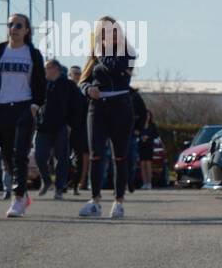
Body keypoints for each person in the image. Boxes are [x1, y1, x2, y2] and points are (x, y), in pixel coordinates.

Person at [0, 13, 46, 217]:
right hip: (2, 108)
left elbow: (39, 82)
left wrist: (36, 104)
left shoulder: (32, 53)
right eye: (10, 24)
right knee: (8, 154)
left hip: (24, 106)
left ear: (27, 30)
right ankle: (23, 193)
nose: (14, 28)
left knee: (20, 153)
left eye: (19, 25)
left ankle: (18, 198)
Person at [78, 16, 135, 219]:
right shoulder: (94, 55)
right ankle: (94, 200)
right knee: (96, 154)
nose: (109, 34)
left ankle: (118, 201)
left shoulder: (127, 52)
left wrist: (102, 52)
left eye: (113, 30)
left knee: (120, 156)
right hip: (97, 108)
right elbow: (82, 81)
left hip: (121, 106)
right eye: (104, 31)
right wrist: (88, 89)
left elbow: (115, 67)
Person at [34, 59, 72, 199]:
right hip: (43, 127)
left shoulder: (68, 85)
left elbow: (77, 106)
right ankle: (47, 180)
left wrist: (70, 124)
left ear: (55, 68)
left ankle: (59, 188)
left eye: (47, 68)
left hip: (61, 127)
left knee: (61, 158)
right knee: (39, 156)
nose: (45, 71)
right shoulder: (42, 85)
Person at [67, 64, 88, 195]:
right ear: (69, 75)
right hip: (65, 129)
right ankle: (63, 183)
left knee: (79, 158)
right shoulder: (64, 91)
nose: (77, 76)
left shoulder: (83, 92)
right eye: (74, 73)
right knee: (63, 157)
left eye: (79, 74)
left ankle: (76, 184)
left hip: (80, 130)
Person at [136, 109, 157, 190]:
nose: (147, 117)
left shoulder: (152, 125)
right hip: (141, 146)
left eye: (148, 115)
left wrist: (148, 138)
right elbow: (137, 133)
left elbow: (155, 135)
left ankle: (149, 182)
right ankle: (144, 183)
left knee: (148, 164)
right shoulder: (140, 125)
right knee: (142, 164)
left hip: (149, 146)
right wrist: (141, 137)